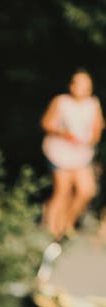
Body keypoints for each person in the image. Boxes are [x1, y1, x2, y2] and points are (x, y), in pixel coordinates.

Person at [41, 69, 104, 240]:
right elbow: (46, 123)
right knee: (63, 191)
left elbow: (98, 128)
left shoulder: (93, 104)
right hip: (59, 153)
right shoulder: (61, 101)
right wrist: (64, 133)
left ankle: (67, 222)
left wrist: (91, 139)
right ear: (72, 85)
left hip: (81, 155)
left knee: (87, 190)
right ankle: (53, 230)